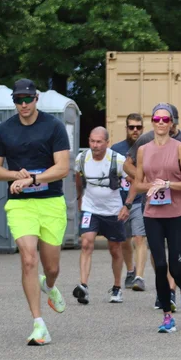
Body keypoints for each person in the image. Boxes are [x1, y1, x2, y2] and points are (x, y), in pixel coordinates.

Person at [0, 79, 70, 346]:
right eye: (18, 100)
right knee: (28, 259)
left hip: (50, 202)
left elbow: (62, 168)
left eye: (28, 99)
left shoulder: (54, 126)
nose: (23, 104)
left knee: (52, 267)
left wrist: (33, 180)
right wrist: (15, 175)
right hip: (20, 204)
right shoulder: (4, 130)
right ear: (14, 101)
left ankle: (50, 285)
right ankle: (39, 324)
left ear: (36, 99)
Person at [126, 104, 181, 333]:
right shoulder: (143, 150)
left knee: (176, 268)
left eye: (165, 119)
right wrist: (150, 186)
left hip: (175, 212)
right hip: (153, 213)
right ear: (152, 121)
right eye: (157, 119)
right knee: (159, 266)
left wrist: (167, 184)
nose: (161, 123)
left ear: (171, 123)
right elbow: (138, 183)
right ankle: (167, 315)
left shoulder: (180, 148)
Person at [73, 127, 128, 304]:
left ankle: (117, 287)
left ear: (107, 142)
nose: (95, 145)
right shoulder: (82, 158)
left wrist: (127, 205)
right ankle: (83, 287)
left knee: (115, 249)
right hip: (91, 208)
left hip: (112, 211)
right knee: (86, 243)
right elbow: (78, 178)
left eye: (99, 142)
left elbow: (134, 181)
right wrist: (80, 198)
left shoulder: (118, 160)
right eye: (92, 141)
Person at [110, 115, 148, 292]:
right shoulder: (116, 149)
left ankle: (139, 277)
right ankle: (130, 271)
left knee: (139, 237)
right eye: (131, 127)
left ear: (142, 129)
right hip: (119, 201)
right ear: (126, 128)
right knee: (124, 240)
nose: (135, 130)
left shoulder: (147, 148)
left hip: (140, 200)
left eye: (138, 127)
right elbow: (110, 174)